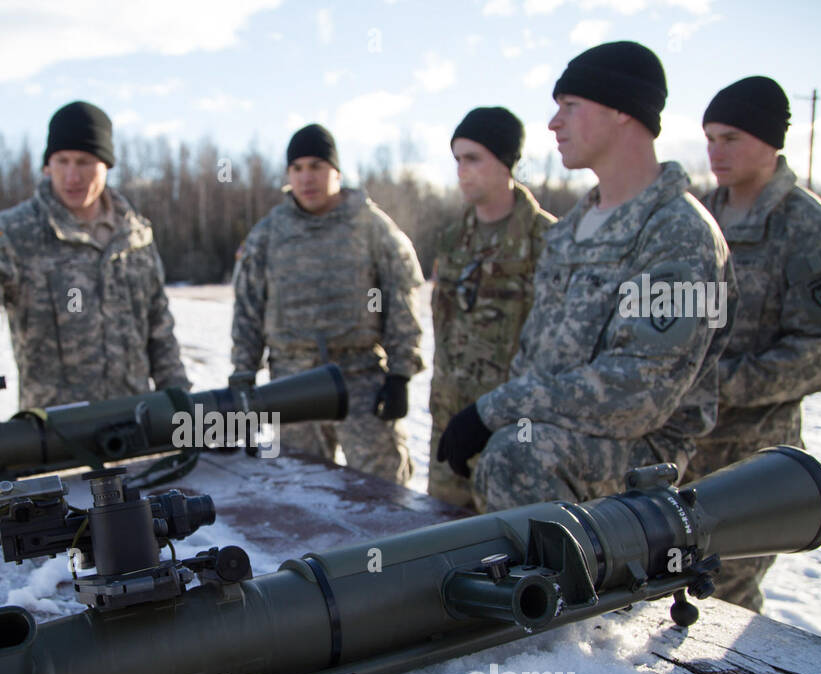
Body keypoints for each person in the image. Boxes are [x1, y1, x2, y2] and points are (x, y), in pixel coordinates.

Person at [438, 40, 732, 511]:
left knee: (517, 458)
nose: (554, 123)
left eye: (570, 107)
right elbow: (531, 358)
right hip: (553, 443)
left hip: (640, 464)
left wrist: (496, 410)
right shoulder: (571, 231)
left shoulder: (677, 232)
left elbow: (639, 391)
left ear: (622, 112)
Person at [684, 76, 821, 613]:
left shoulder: (809, 229)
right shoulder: (695, 217)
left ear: (770, 140)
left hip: (750, 465)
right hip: (682, 447)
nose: (715, 151)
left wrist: (719, 383)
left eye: (730, 137)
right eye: (710, 137)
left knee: (719, 599)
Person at [0, 101, 190, 409]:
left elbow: (160, 332)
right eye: (61, 161)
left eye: (84, 162)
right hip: (59, 437)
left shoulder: (135, 237)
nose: (71, 176)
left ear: (106, 165)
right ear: (47, 165)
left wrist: (180, 402)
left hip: (136, 425)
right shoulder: (19, 231)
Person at [231, 124, 425, 484]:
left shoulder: (370, 226)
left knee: (385, 492)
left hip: (361, 382)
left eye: (316, 166)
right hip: (292, 385)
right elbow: (247, 308)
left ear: (335, 171)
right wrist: (243, 374)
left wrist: (400, 373)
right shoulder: (269, 234)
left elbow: (402, 297)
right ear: (288, 175)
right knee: (305, 492)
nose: (307, 177)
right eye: (297, 168)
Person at [430, 108, 556, 508]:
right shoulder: (452, 240)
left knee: (511, 555)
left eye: (473, 158)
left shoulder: (548, 241)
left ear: (506, 161)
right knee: (441, 543)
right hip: (450, 426)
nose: (462, 171)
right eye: (457, 160)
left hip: (514, 435)